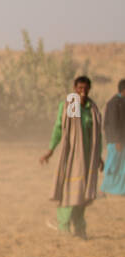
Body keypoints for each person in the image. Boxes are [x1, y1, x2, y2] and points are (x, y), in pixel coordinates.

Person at [40, 76, 104, 238]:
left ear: (90, 89)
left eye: (85, 89)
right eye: (79, 88)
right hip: (73, 157)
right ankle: (64, 227)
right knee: (70, 191)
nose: (82, 92)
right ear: (74, 88)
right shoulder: (72, 104)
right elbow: (60, 129)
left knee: (82, 194)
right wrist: (50, 150)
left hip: (88, 158)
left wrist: (99, 158)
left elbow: (96, 137)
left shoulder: (92, 109)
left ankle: (80, 228)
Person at [103, 78, 125, 197]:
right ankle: (104, 188)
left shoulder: (122, 101)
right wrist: (117, 140)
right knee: (112, 164)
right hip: (115, 141)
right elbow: (112, 123)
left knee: (122, 166)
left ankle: (120, 190)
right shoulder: (114, 103)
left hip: (122, 140)